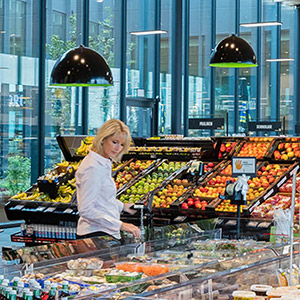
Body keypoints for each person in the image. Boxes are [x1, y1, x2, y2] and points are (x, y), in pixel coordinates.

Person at [76, 119, 141, 240]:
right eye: (114, 142)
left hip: (103, 233)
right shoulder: (93, 167)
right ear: (103, 139)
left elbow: (102, 198)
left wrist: (122, 206)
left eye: (122, 145)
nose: (118, 148)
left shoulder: (103, 162)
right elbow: (86, 209)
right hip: (95, 234)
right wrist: (121, 225)